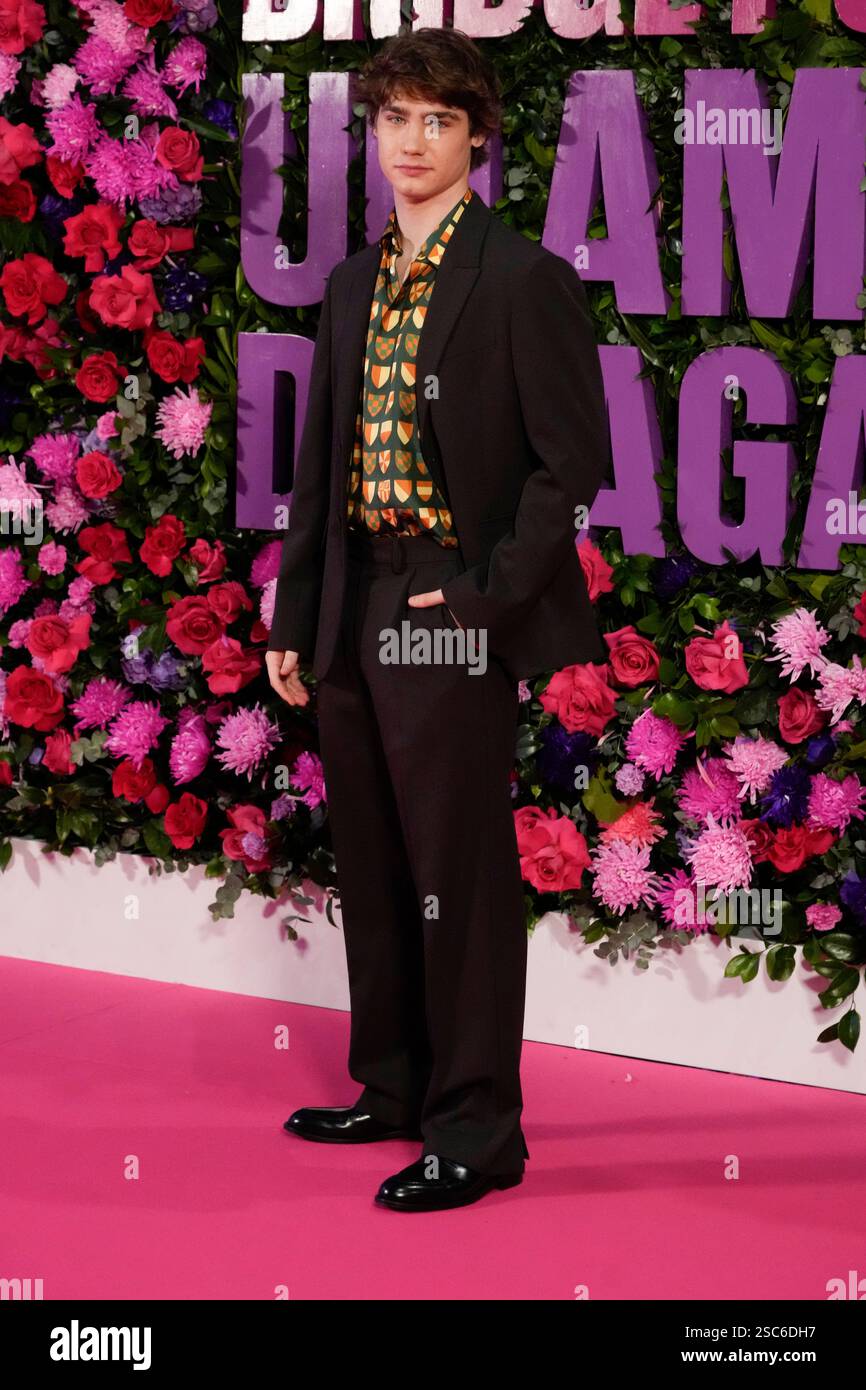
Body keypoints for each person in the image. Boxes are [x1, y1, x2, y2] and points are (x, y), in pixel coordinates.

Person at [265, 26, 611, 1212]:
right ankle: (394, 1084)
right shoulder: (355, 283)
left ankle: (477, 1130)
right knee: (373, 855)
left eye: (435, 121)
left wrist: (473, 599)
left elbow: (570, 470)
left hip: (441, 604)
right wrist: (293, 615)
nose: (409, 143)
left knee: (454, 874)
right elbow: (319, 469)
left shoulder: (521, 279)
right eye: (392, 119)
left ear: (474, 138)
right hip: (352, 598)